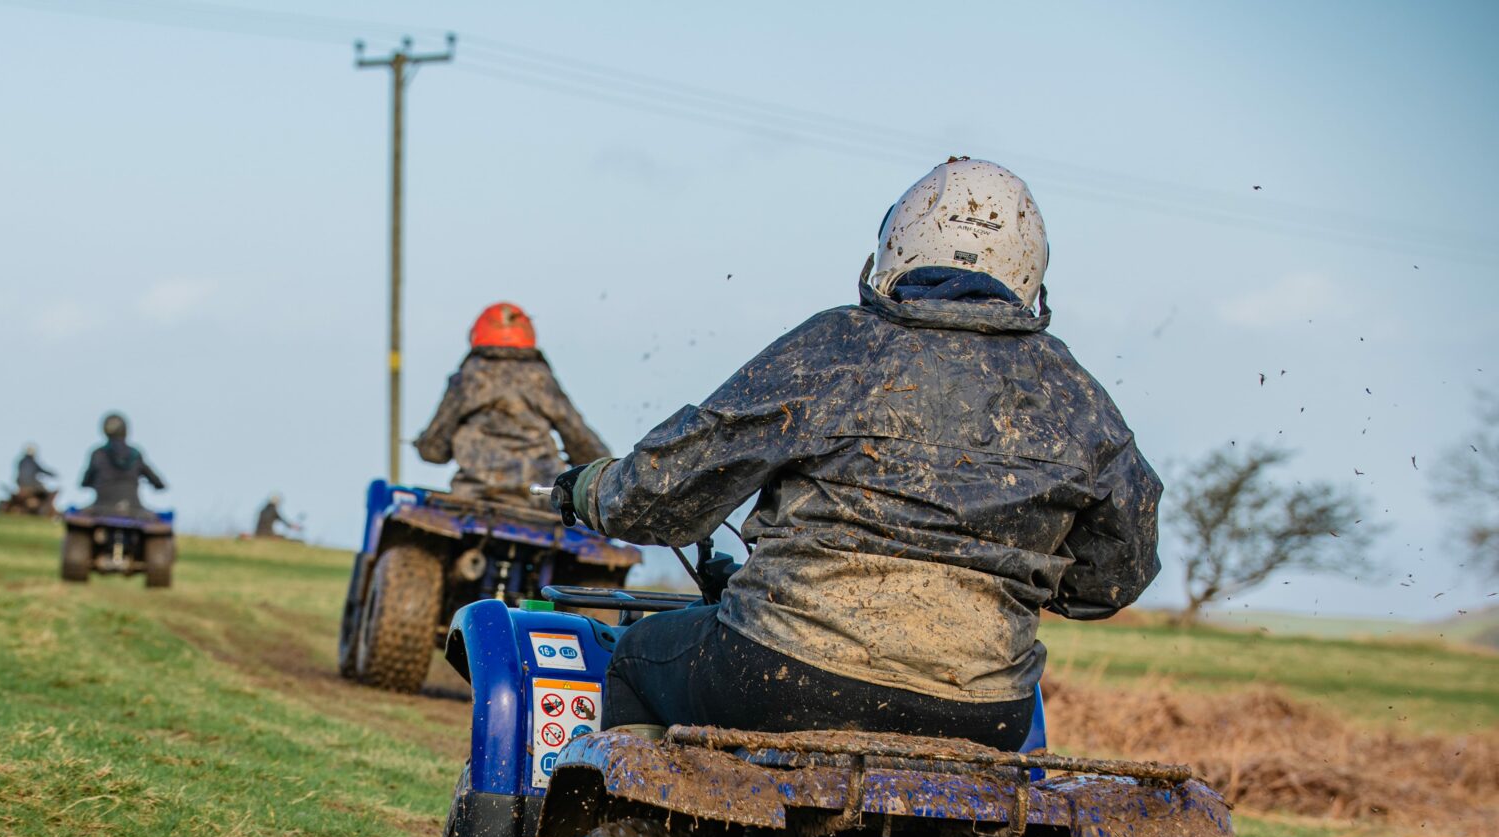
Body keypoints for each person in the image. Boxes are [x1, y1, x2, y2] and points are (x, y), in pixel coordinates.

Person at [552, 159, 1161, 750]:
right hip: (985, 712)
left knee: (635, 657)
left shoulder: (838, 345)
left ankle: (642, 823)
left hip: (782, 672)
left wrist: (591, 489)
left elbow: (664, 491)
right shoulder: (1075, 395)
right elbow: (1115, 577)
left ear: (896, 244)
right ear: (1031, 270)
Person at [414, 303, 610, 505]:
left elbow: (433, 450)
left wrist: (422, 443)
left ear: (476, 335)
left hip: (474, 499)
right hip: (539, 500)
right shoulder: (539, 379)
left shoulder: (468, 379)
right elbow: (585, 446)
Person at [81, 412, 165, 512]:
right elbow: (157, 482)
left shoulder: (97, 454)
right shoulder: (136, 454)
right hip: (133, 508)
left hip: (102, 507)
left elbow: (85, 481)